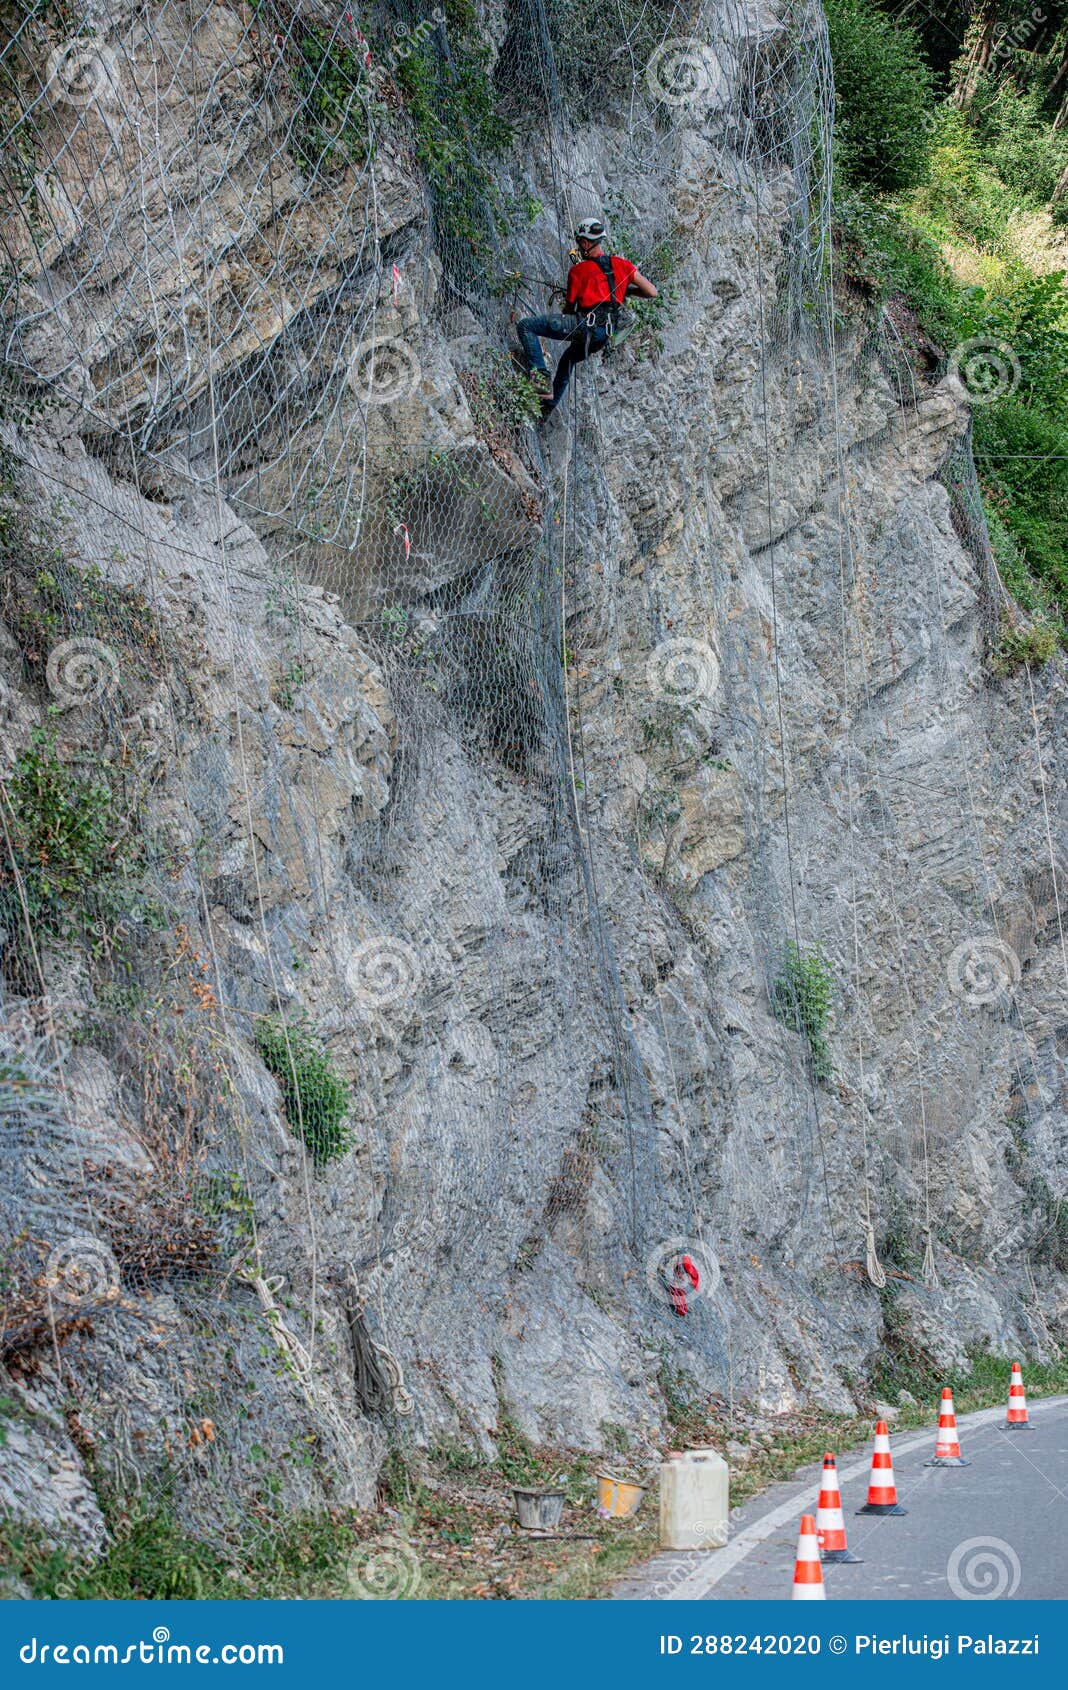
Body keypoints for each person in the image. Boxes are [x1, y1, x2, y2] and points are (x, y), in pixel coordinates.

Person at [515, 217, 658, 413]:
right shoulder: (622, 265)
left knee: (526, 326)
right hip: (603, 336)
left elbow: (569, 308)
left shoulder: (579, 271)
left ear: (584, 243)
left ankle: (541, 383)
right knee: (568, 360)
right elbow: (651, 291)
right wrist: (626, 291)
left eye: (579, 243)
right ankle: (547, 408)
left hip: (584, 326)